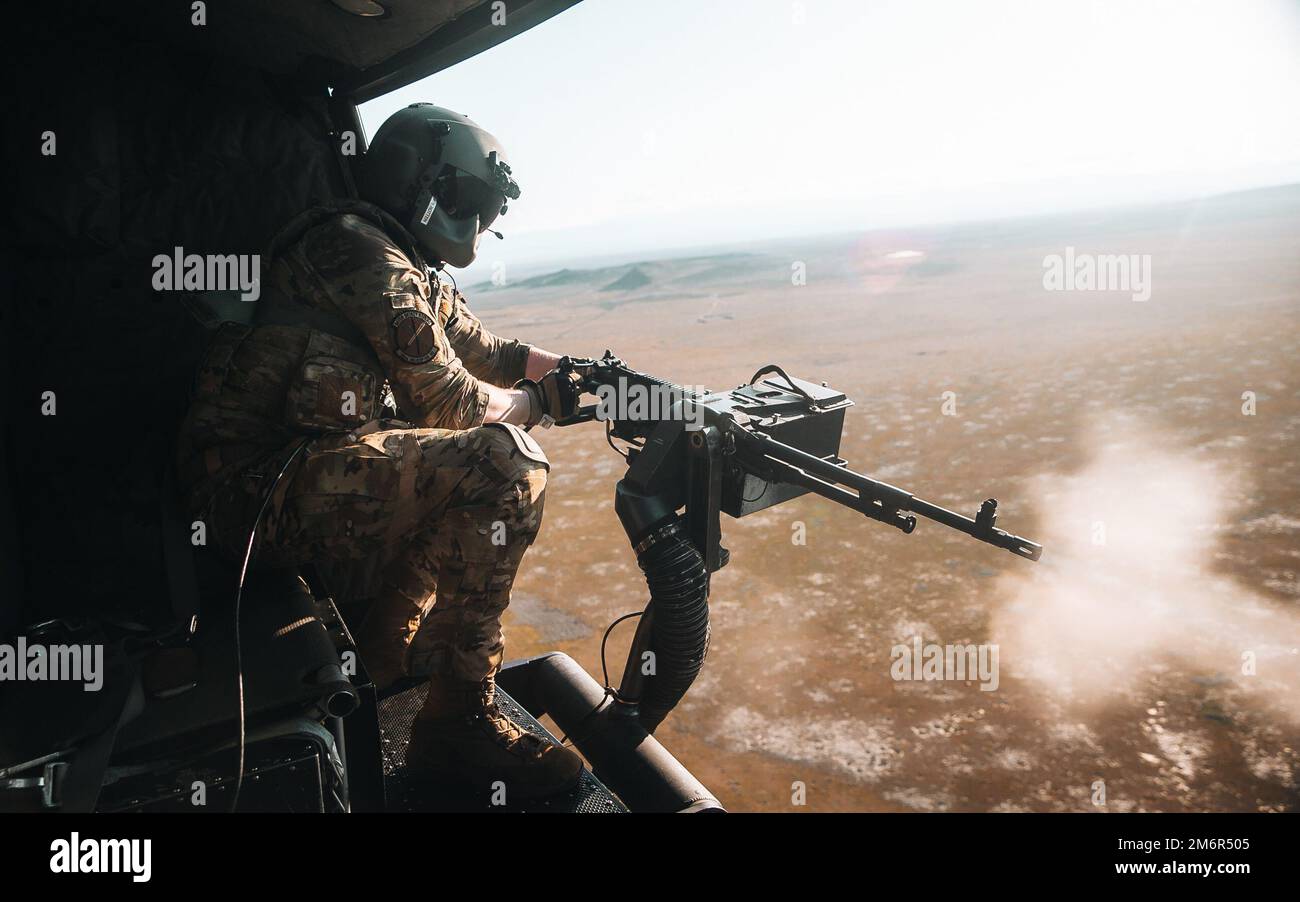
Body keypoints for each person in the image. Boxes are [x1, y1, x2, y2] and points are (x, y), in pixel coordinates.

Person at [175, 104, 586, 799]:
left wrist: (578, 373)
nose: (476, 224)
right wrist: (542, 405)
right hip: (249, 495)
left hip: (303, 482)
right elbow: (454, 400)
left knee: (452, 467)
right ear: (419, 181)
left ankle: (385, 650)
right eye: (467, 203)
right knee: (501, 461)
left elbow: (495, 353)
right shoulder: (356, 248)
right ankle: (460, 721)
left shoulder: (411, 265)